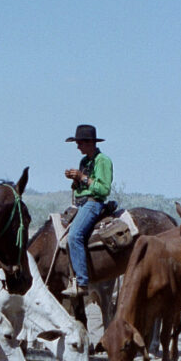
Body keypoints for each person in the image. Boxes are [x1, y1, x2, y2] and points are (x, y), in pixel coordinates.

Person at [62, 124, 114, 298]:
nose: (77, 147)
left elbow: (103, 189)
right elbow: (80, 187)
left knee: (74, 235)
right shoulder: (84, 162)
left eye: (80, 143)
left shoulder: (103, 161)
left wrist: (82, 177)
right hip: (81, 203)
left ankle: (82, 281)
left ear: (90, 143)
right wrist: (75, 180)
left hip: (93, 203)